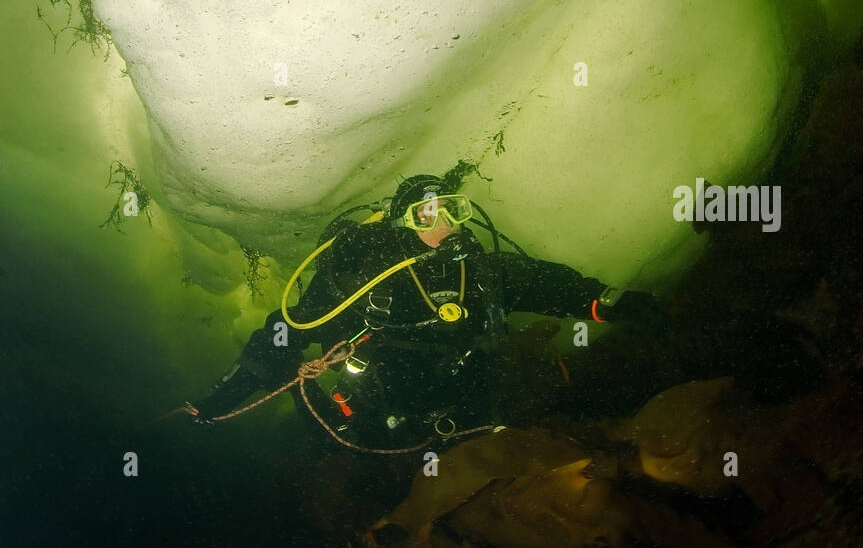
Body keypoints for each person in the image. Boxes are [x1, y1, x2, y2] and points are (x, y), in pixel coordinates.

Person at [187, 174, 663, 450]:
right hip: (381, 426)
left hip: (477, 411)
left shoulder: (482, 270)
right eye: (425, 214)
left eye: (451, 209)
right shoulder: (369, 283)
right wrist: (222, 398)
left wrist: (614, 304)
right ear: (402, 225)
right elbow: (288, 333)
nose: (444, 225)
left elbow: (556, 287)